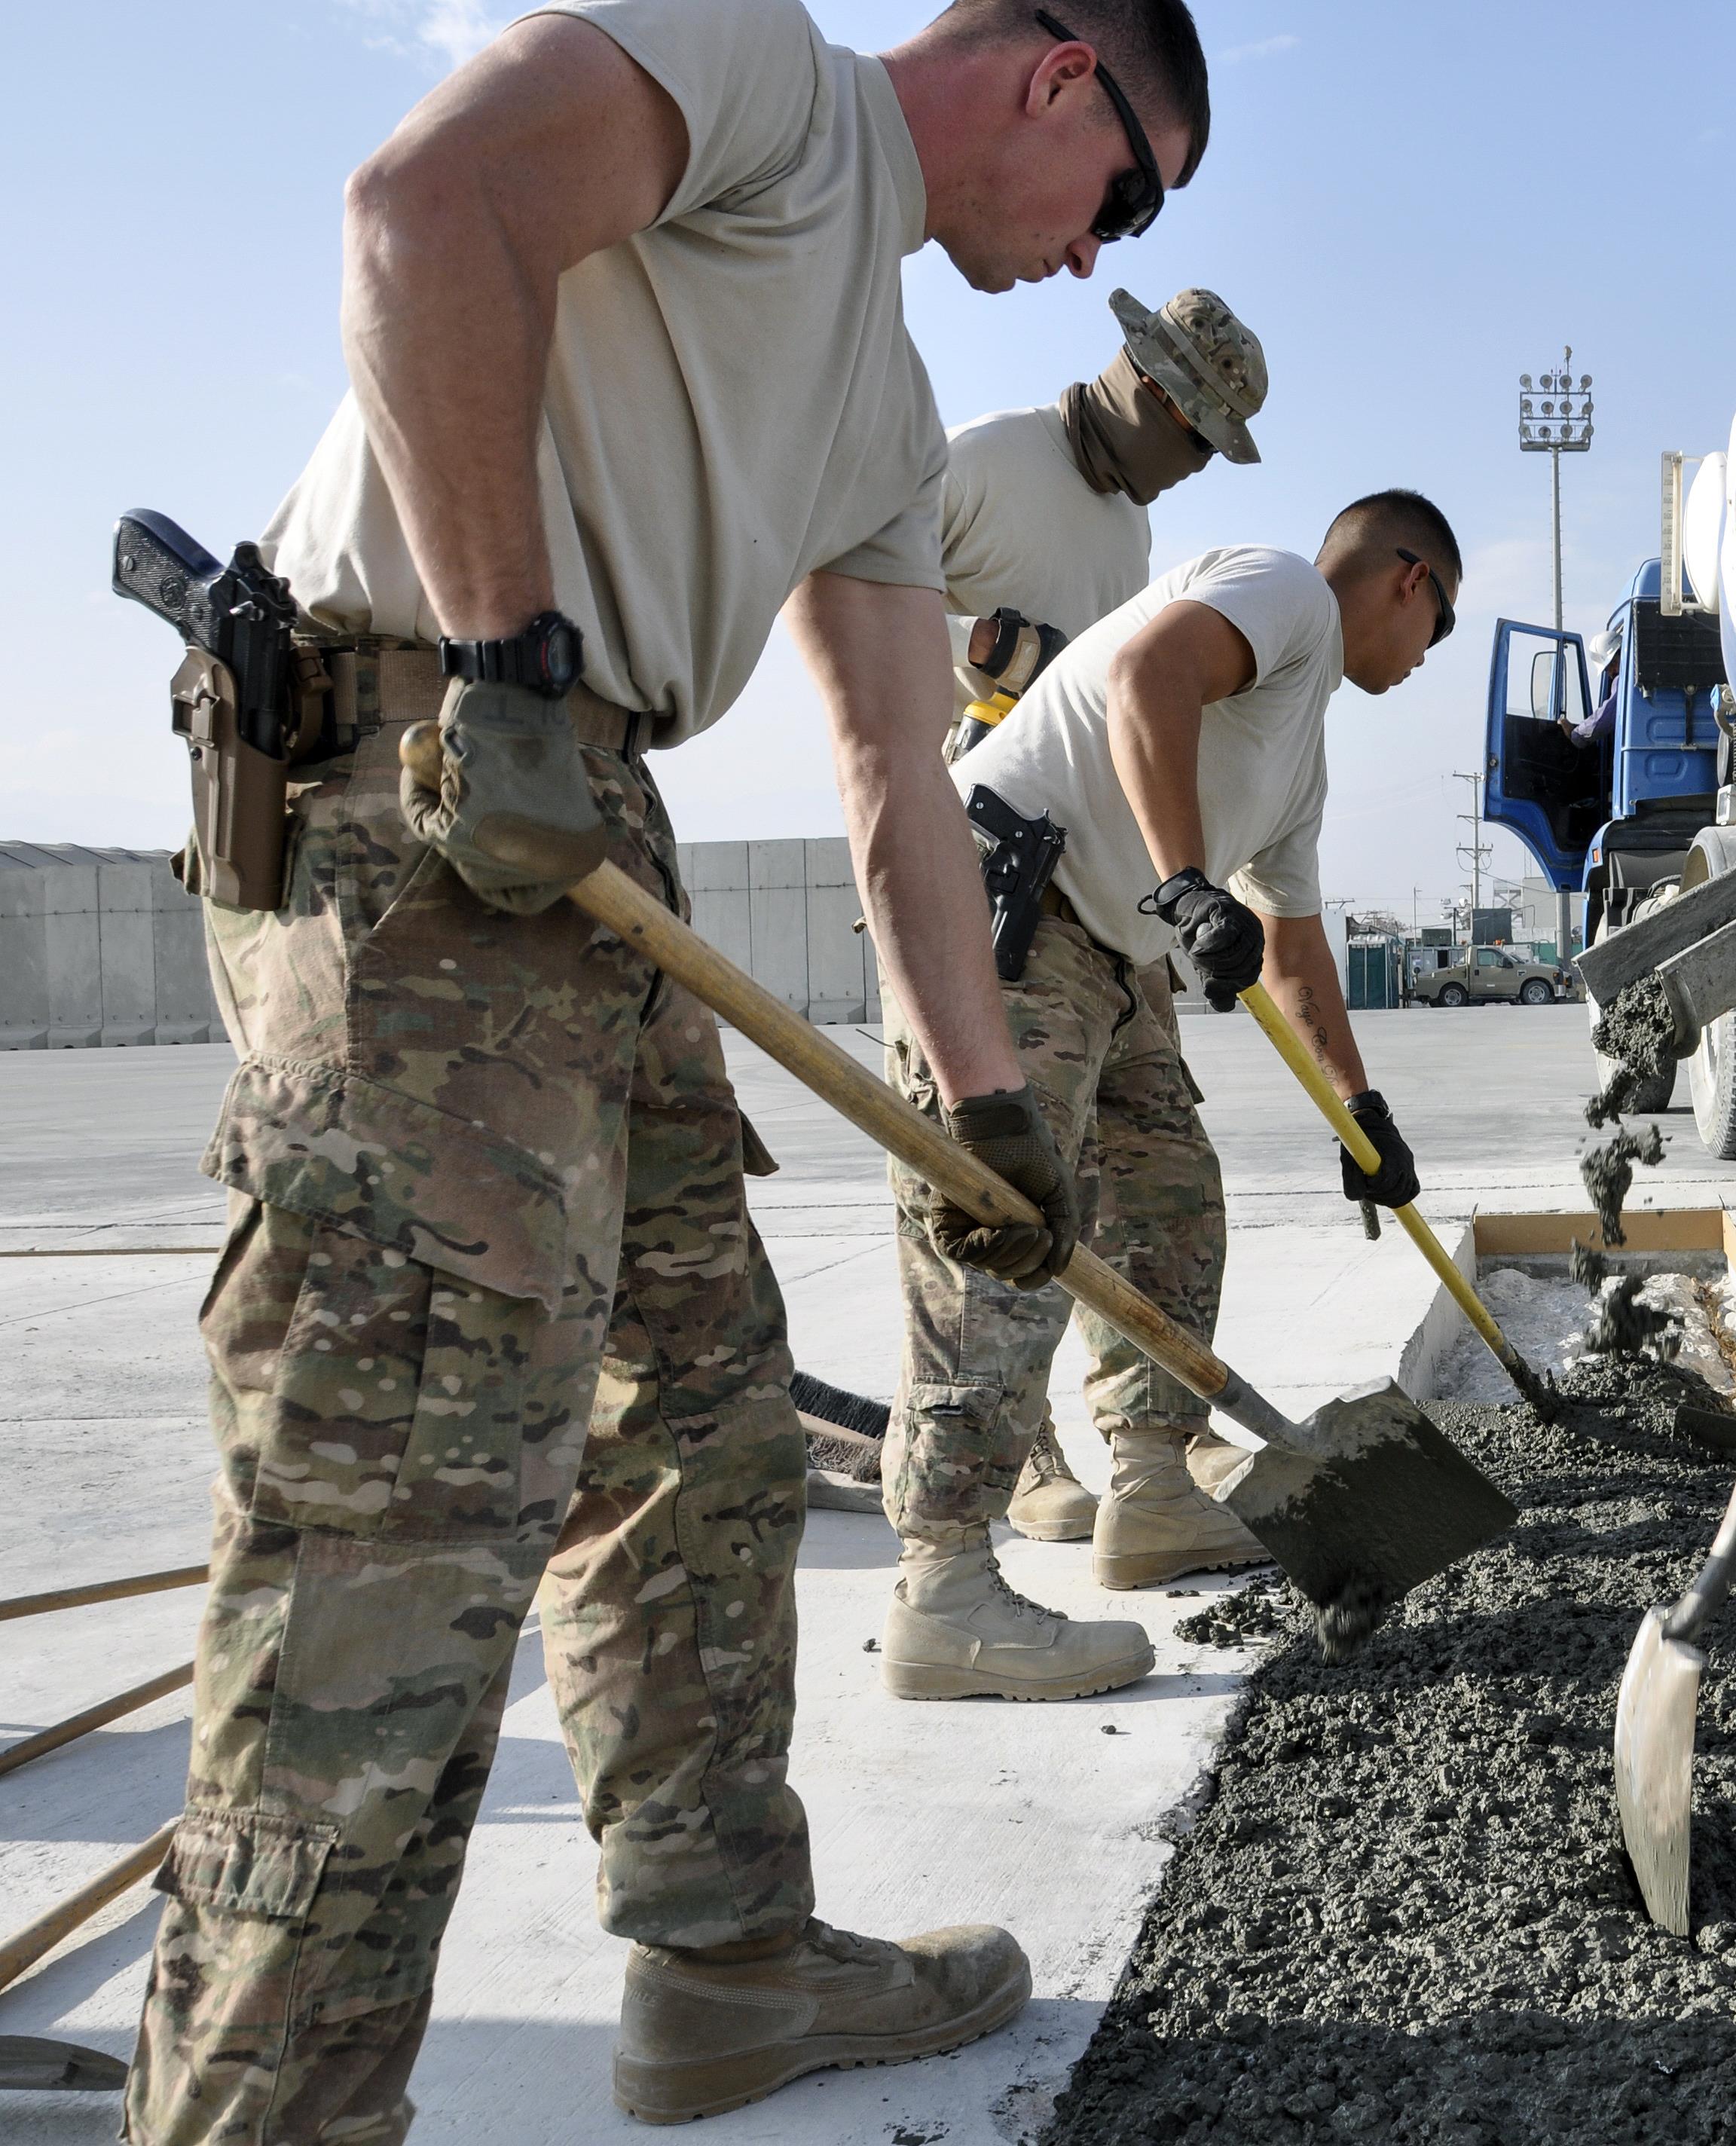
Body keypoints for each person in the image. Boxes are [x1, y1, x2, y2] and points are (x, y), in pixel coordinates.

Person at [130, 1, 1211, 2135]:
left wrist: (984, 1112)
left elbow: (899, 773)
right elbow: (426, 212)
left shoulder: (885, 407)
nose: (1104, 259)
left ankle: (722, 1958)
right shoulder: (757, 74)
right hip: (418, 780)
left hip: (585, 827)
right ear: (1057, 74)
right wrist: (514, 662)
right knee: (412, 1496)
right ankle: (259, 2107)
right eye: (1131, 196)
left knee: (702, 1415)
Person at [880, 491, 1459, 1696]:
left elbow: (1295, 952)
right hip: (1006, 898)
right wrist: (1192, 886)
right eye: (1438, 628)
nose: (1424, 661)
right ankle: (942, 1584)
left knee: (1169, 1197)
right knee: (1004, 1224)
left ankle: (1148, 1490)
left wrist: (1365, 1119)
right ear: (1408, 580)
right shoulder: (1285, 591)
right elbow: (1149, 674)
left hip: (1109, 948)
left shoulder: (1298, 761)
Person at [907, 285, 1268, 1555]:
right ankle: (1015, 1468)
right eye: (1198, 443)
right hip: (986, 865)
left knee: (1155, 1168)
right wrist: (984, 651)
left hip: (1107, 894)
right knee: (1002, 1173)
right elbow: (851, 599)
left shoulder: (1127, 533)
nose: (1188, 478)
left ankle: (1147, 1449)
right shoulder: (986, 462)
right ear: (1157, 395)